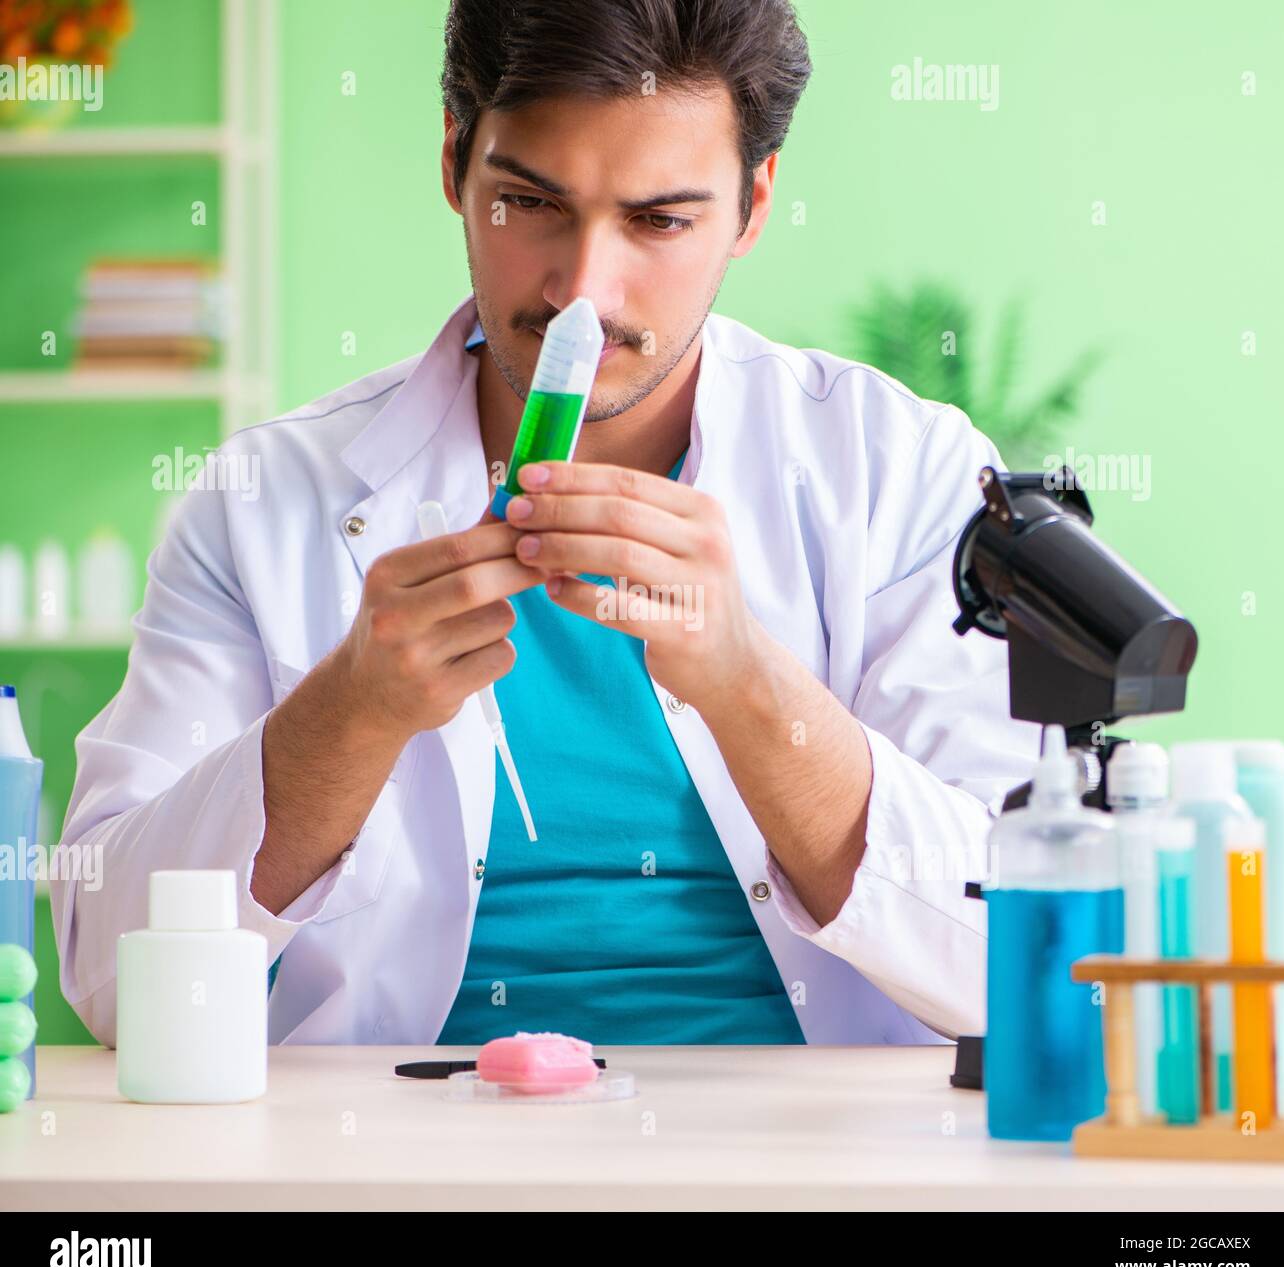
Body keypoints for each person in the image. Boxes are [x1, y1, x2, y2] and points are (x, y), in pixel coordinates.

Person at [54, 0, 1041, 1048]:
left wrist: (748, 683)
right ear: (453, 165)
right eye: (529, 202)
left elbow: (1017, 962)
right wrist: (348, 712)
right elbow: (113, 978)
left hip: (797, 1165)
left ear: (752, 206)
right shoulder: (262, 498)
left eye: (659, 220)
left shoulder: (901, 472)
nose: (584, 291)